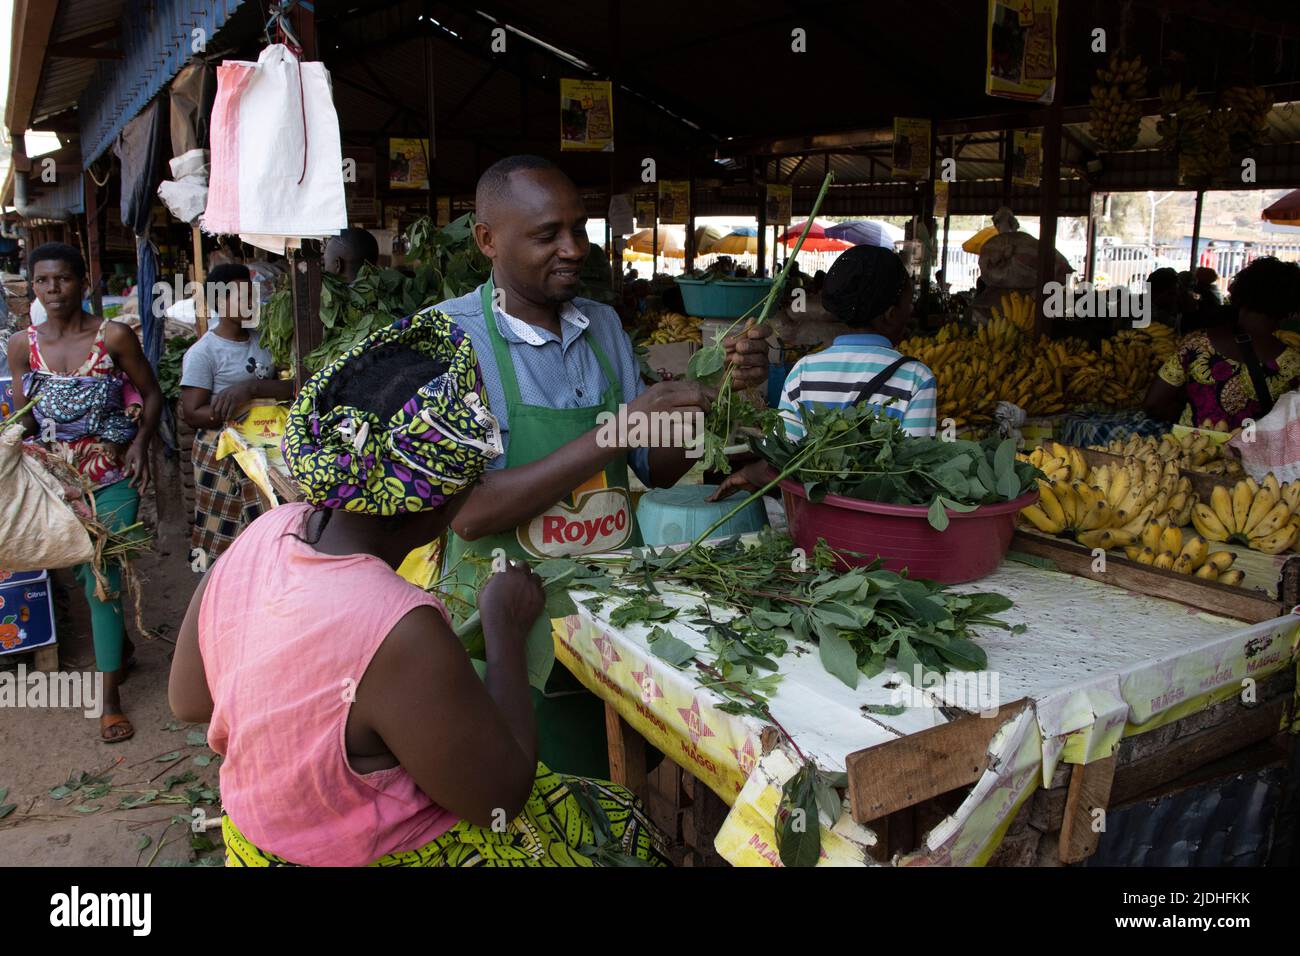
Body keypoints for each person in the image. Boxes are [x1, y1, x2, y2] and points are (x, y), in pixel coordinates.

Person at [168, 310, 669, 867]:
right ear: (443, 498)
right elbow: (499, 797)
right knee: (623, 831)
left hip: (255, 845)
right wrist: (503, 629)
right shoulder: (397, 625)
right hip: (380, 856)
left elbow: (190, 700)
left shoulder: (263, 534)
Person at [431, 155, 769, 777]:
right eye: (546, 235)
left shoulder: (604, 325)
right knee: (531, 797)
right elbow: (472, 514)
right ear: (487, 240)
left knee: (613, 786)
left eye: (578, 230)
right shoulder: (448, 339)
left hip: (615, 615)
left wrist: (714, 398)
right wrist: (620, 428)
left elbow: (656, 468)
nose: (573, 248)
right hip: (503, 619)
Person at [5, 242, 161, 743]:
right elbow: (24, 414)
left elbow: (153, 393)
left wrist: (140, 444)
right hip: (52, 479)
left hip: (112, 471)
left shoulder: (113, 336)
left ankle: (109, 700)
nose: (54, 289)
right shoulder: (20, 345)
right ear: (33, 287)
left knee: (102, 575)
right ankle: (121, 649)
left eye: (63, 279)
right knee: (85, 571)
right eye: (43, 281)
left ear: (83, 283)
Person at [710, 245, 936, 500]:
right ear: (891, 314)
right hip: (877, 527)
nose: (912, 312)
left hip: (811, 522)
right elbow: (913, 471)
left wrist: (751, 473)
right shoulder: (917, 378)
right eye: (910, 304)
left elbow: (782, 455)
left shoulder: (803, 370)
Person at [179, 263, 294, 565]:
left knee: (268, 527)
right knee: (223, 527)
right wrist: (235, 415)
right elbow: (192, 414)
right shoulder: (204, 353)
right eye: (241, 296)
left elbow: (292, 387)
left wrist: (251, 389)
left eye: (251, 296)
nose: (250, 303)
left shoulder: (265, 340)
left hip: (265, 442)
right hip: (221, 453)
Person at [1145, 257, 1300, 428]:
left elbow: (1154, 403)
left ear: (1241, 292)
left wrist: (1191, 416)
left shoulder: (1198, 344)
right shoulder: (1294, 362)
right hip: (1253, 452)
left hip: (1193, 449)